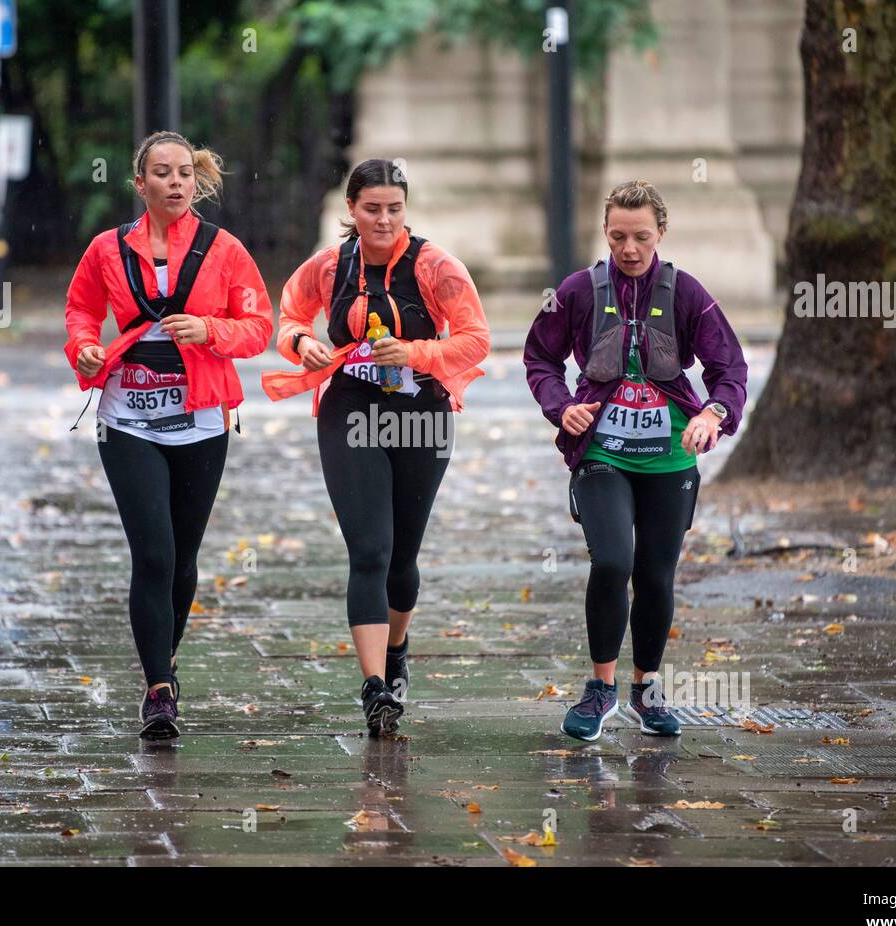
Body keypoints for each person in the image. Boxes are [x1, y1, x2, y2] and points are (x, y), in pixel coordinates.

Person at [262, 159, 491, 736]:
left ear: (405, 209)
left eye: (394, 208)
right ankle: (373, 690)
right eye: (372, 209)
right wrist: (302, 342)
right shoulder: (330, 265)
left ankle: (397, 648)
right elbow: (286, 317)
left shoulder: (438, 267)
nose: (384, 220)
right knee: (369, 549)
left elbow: (476, 340)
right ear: (351, 210)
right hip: (351, 412)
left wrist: (415, 354)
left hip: (422, 417)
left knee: (402, 559)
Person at [64, 131, 273, 739]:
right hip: (127, 417)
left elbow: (259, 325)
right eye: (162, 173)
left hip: (203, 419)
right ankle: (158, 689)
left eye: (185, 172)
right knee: (152, 553)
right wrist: (82, 348)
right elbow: (80, 309)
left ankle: (168, 659)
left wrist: (210, 330)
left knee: (183, 559)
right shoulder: (107, 249)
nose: (176, 182)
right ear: (141, 184)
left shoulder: (223, 249)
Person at [523, 180, 748, 742]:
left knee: (655, 574)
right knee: (614, 561)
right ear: (605, 232)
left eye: (642, 237)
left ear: (661, 234)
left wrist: (712, 415)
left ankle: (646, 691)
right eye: (619, 236)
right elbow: (540, 358)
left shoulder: (687, 294)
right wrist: (562, 407)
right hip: (602, 453)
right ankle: (600, 689)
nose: (629, 248)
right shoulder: (577, 291)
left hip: (670, 459)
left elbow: (730, 371)